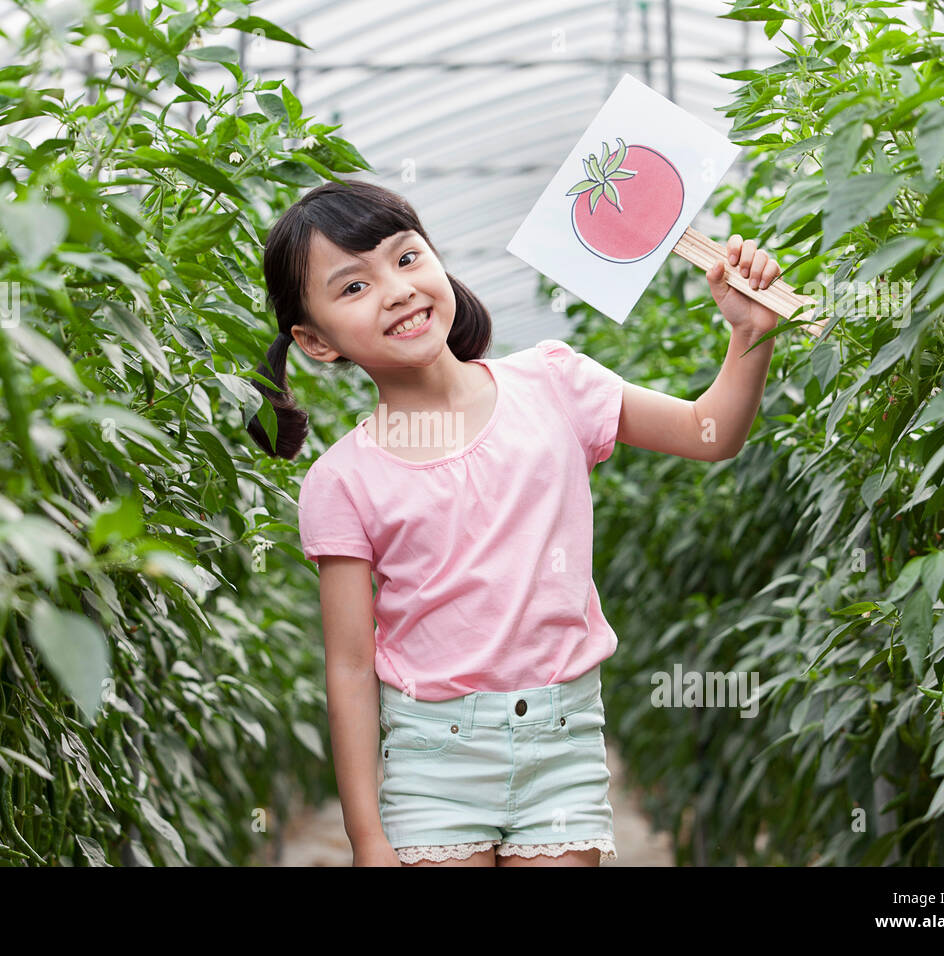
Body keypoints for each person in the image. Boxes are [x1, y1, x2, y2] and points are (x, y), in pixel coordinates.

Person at [247, 177, 782, 867]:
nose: (398, 289)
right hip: (432, 762)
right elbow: (350, 668)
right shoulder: (342, 478)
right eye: (353, 286)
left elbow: (710, 434)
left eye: (407, 258)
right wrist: (367, 838)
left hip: (560, 743)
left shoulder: (555, 383)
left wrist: (749, 334)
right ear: (316, 341)